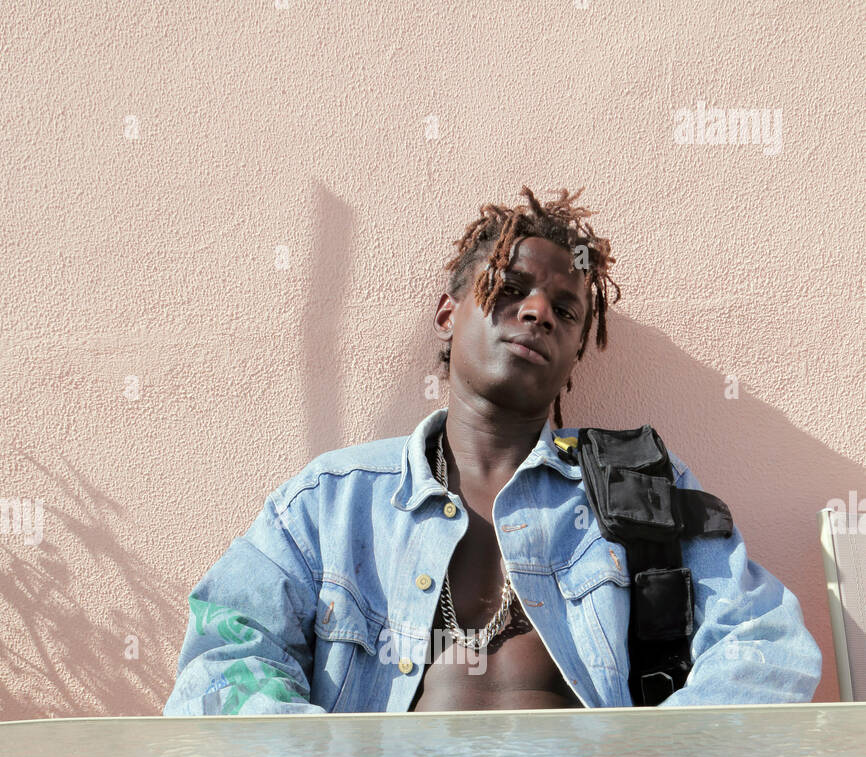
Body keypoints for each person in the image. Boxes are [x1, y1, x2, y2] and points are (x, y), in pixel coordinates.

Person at [163, 185, 821, 716]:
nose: (537, 313)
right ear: (448, 316)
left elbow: (766, 643)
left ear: (571, 360)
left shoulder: (640, 483)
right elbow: (224, 656)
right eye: (510, 289)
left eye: (565, 312)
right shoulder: (331, 502)